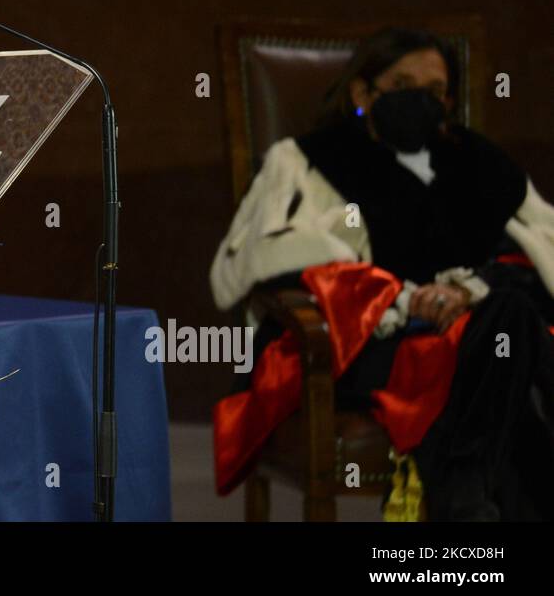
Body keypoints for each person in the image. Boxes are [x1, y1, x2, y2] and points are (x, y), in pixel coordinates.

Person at [211, 26, 554, 520]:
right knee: (510, 379)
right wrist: (403, 300)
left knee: (511, 316)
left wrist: (465, 290)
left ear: (449, 100)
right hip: (368, 343)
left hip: (476, 333)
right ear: (361, 91)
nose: (418, 99)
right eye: (400, 85)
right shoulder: (308, 163)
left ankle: (462, 494)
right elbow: (275, 261)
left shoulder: (479, 163)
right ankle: (464, 502)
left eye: (434, 91)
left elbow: (530, 257)